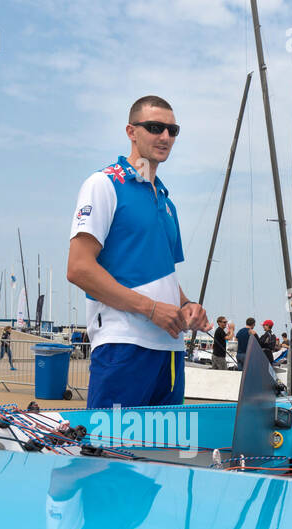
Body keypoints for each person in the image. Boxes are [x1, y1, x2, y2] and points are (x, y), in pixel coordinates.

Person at [67, 95, 210, 409]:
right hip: (124, 344)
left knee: (162, 456)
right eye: (155, 127)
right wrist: (151, 309)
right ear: (131, 131)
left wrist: (188, 305)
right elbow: (79, 268)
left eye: (173, 130)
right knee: (110, 451)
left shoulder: (166, 200)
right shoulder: (104, 184)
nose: (165, 137)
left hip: (170, 349)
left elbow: (165, 275)